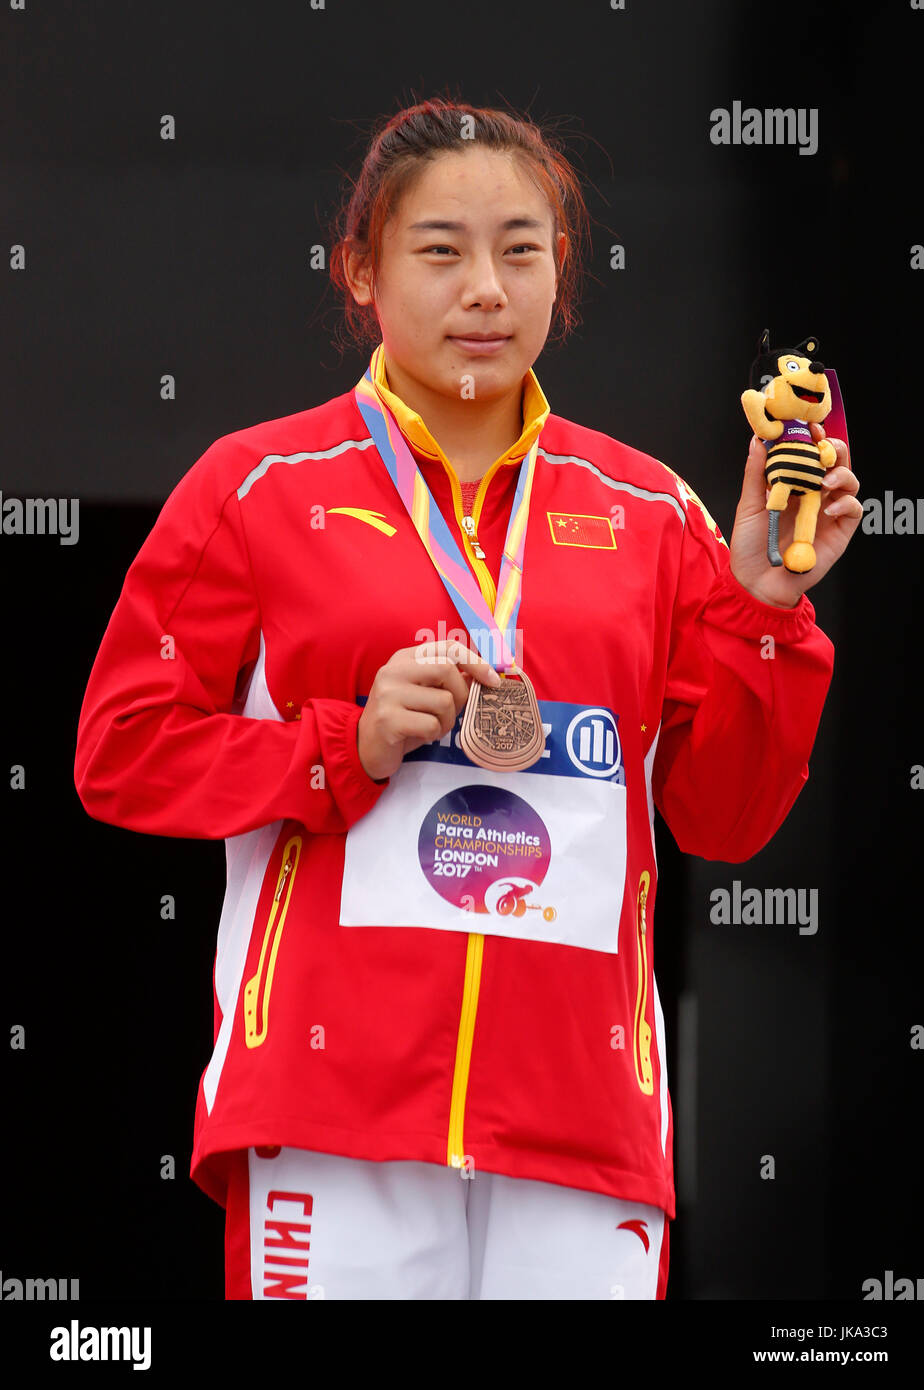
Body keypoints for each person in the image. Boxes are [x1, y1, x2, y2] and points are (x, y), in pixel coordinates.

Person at [73, 96, 862, 1301]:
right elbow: (122, 752)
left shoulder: (654, 516)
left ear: (562, 274)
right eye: (439, 250)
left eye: (521, 249)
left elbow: (725, 820)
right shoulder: (257, 487)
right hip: (333, 1106)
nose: (484, 289)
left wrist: (762, 610)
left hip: (582, 1115)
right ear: (360, 272)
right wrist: (337, 745)